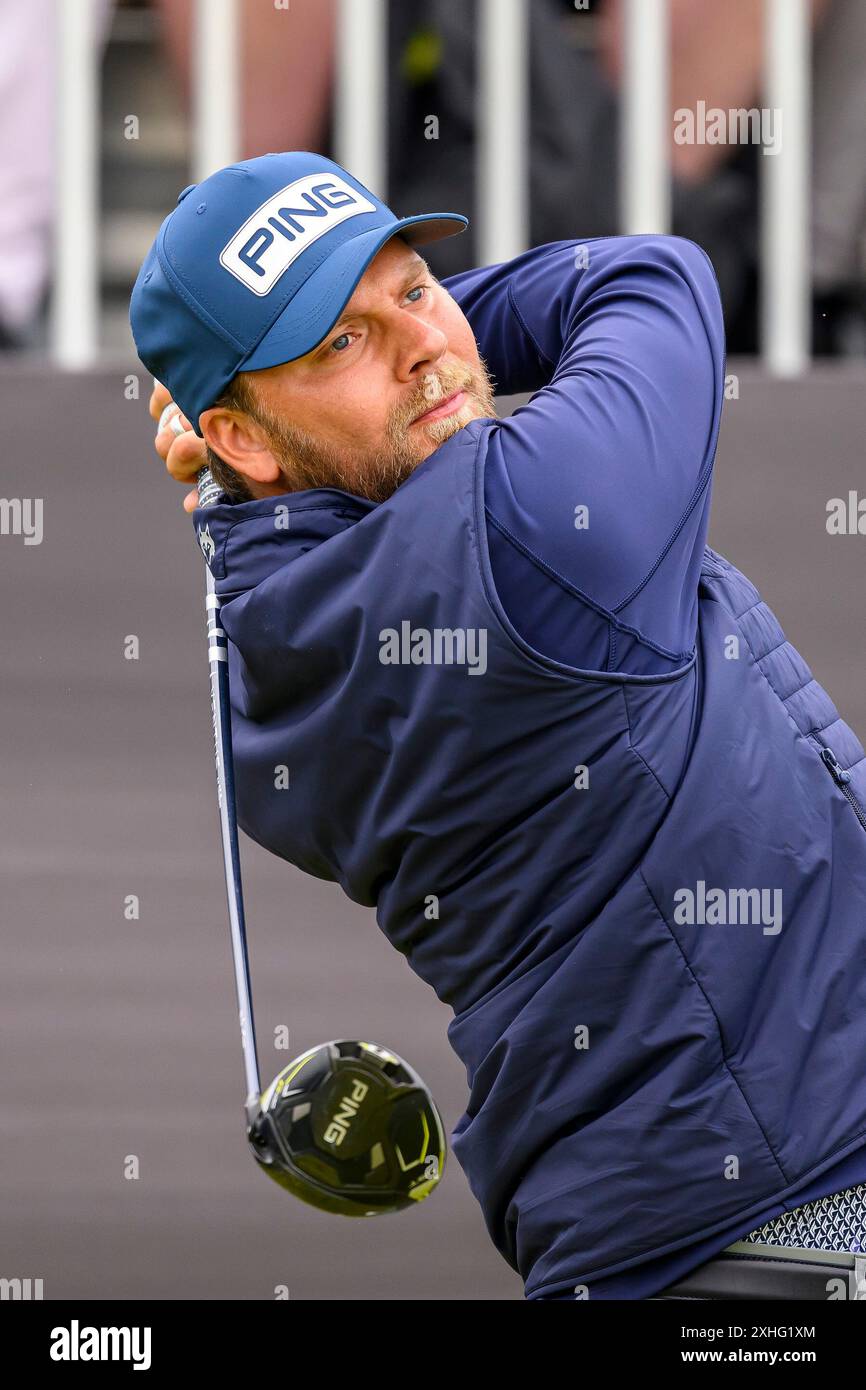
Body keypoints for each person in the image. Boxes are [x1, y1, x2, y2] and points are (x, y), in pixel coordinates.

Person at [130, 151, 866, 1301]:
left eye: (414, 288)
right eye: (339, 343)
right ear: (240, 437)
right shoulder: (533, 521)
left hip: (654, 1230)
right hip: (797, 1210)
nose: (423, 343)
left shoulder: (258, 654)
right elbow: (648, 278)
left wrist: (255, 457)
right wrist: (437, 339)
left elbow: (300, 518)